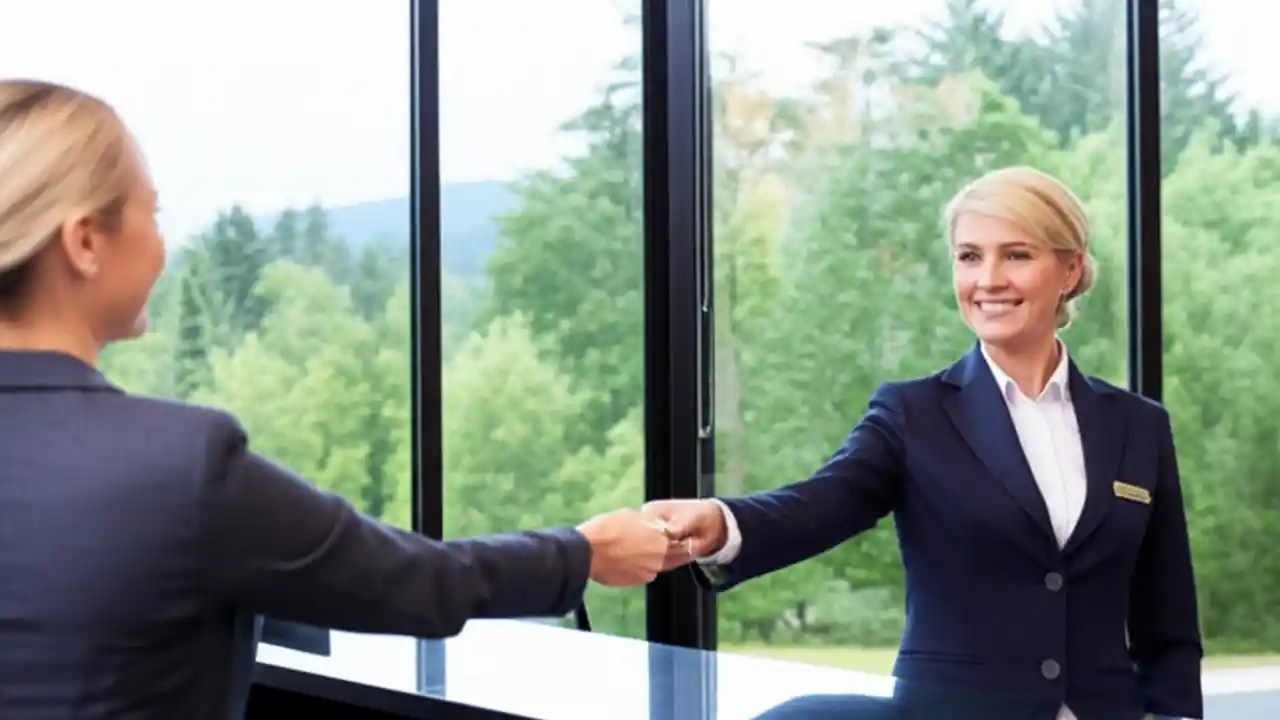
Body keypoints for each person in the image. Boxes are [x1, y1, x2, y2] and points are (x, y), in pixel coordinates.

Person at [0, 79, 670, 718]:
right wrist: (585, 552)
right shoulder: (178, 466)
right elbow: (420, 582)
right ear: (85, 241)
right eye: (152, 212)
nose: (161, 243)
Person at [647, 166, 1203, 720]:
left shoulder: (1139, 425)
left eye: (1016, 255)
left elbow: (1168, 622)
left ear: (1069, 269)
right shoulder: (914, 414)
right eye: (969, 256)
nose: (988, 279)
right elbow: (823, 502)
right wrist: (723, 524)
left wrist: (1176, 716)